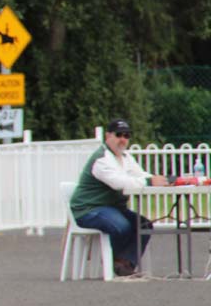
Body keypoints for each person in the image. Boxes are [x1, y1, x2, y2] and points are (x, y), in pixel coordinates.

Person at [70, 118, 169, 277]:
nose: (123, 139)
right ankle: (111, 259)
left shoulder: (126, 158)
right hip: (88, 209)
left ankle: (124, 263)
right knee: (121, 226)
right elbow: (119, 183)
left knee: (144, 225)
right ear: (108, 136)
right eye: (119, 135)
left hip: (112, 208)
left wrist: (161, 180)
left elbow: (140, 174)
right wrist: (150, 181)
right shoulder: (101, 159)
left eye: (127, 135)